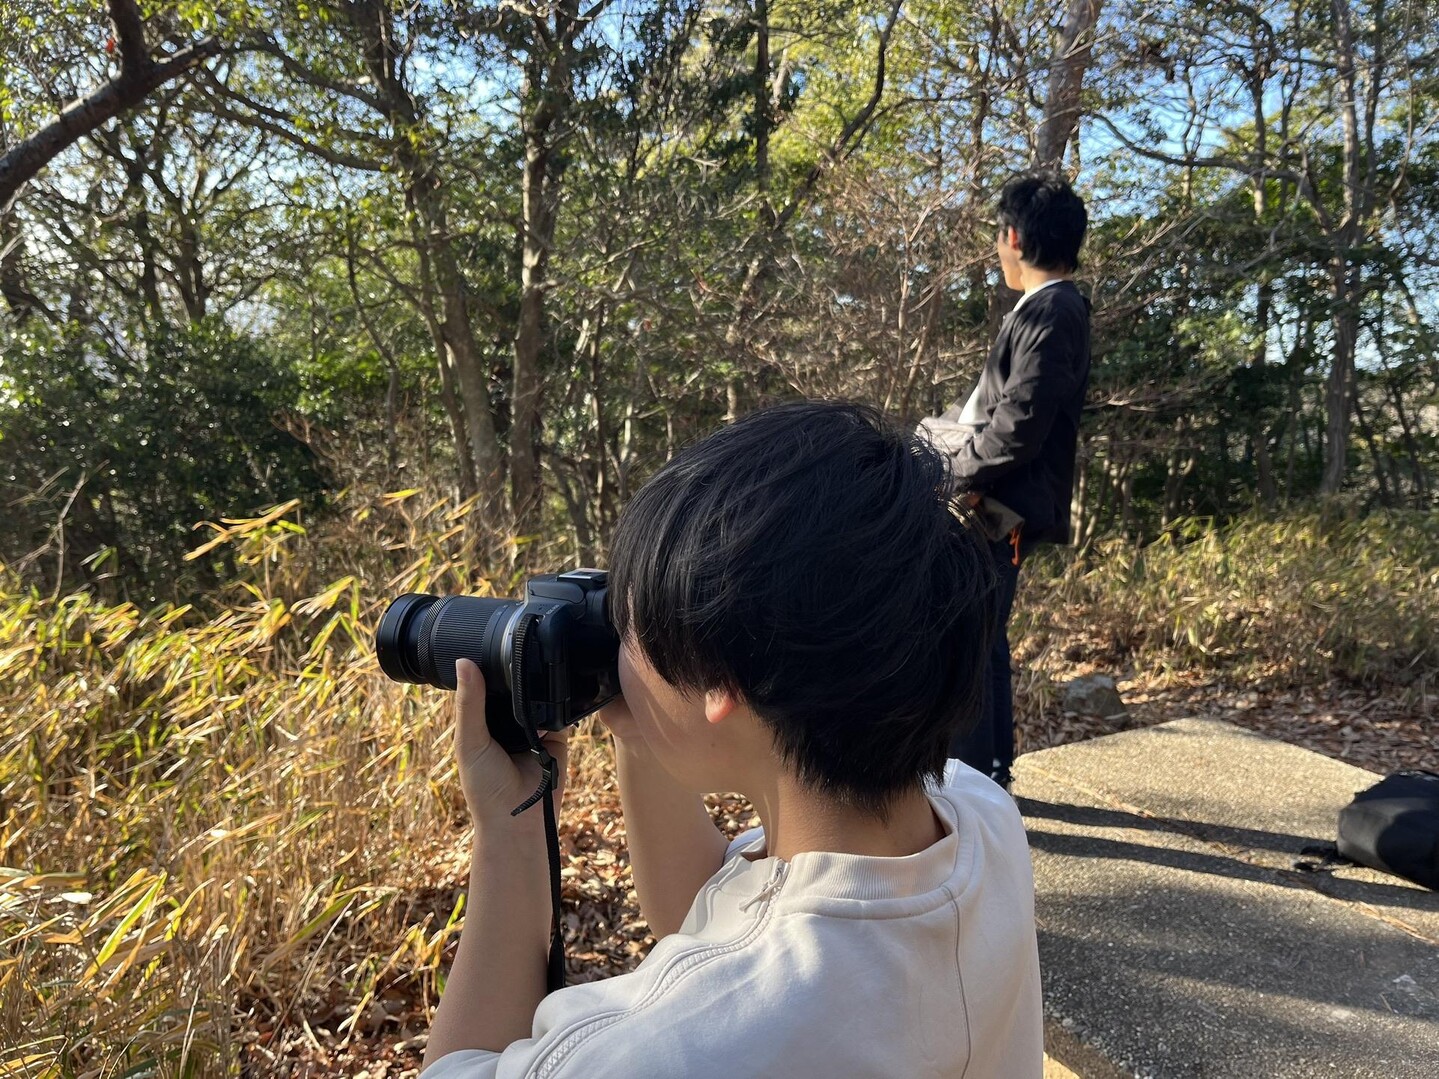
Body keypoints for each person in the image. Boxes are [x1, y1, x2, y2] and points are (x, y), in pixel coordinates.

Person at [419, 401, 1043, 1078]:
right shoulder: (978, 818)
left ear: (719, 679)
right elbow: (705, 911)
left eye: (629, 628)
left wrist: (508, 830)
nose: (618, 653)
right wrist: (644, 723)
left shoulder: (651, 1054)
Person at [921, 171, 1091, 789]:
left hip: (1001, 507)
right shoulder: (1050, 309)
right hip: (999, 499)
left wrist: (947, 474)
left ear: (1013, 237)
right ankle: (987, 778)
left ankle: (971, 785)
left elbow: (1019, 426)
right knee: (983, 639)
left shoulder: (1055, 310)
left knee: (969, 641)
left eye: (999, 236)